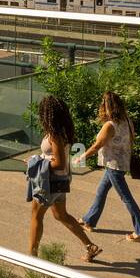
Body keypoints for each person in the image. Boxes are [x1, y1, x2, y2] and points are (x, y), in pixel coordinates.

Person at [29, 95, 102, 262]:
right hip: (61, 181)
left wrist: (36, 163)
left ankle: (31, 258)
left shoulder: (54, 135)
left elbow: (59, 163)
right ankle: (90, 246)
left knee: (36, 216)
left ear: (48, 114)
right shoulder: (63, 130)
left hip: (50, 182)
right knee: (61, 215)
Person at [77, 91, 140, 242]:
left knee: (126, 198)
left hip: (114, 166)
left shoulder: (110, 125)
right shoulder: (127, 121)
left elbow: (98, 145)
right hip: (122, 162)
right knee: (101, 192)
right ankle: (89, 221)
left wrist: (83, 156)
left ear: (107, 107)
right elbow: (131, 139)